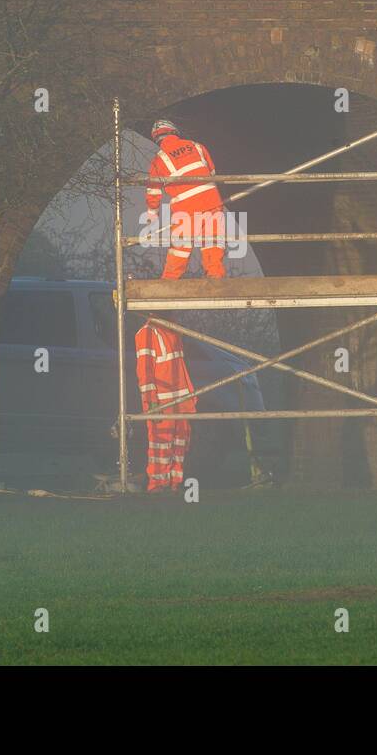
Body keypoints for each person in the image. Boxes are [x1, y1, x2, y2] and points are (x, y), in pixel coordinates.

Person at [144, 119, 226, 279]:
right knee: (213, 242)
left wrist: (152, 215)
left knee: (180, 248)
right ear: (175, 131)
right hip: (211, 202)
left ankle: (169, 282)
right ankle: (215, 278)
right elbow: (213, 173)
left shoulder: (158, 160)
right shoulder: (197, 146)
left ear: (157, 139)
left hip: (186, 208)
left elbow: (153, 191)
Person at [134, 319, 196, 492]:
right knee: (161, 445)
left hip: (180, 399)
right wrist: (151, 400)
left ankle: (174, 485)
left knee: (180, 444)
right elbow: (144, 369)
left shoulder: (172, 329)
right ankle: (157, 487)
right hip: (162, 400)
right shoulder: (147, 332)